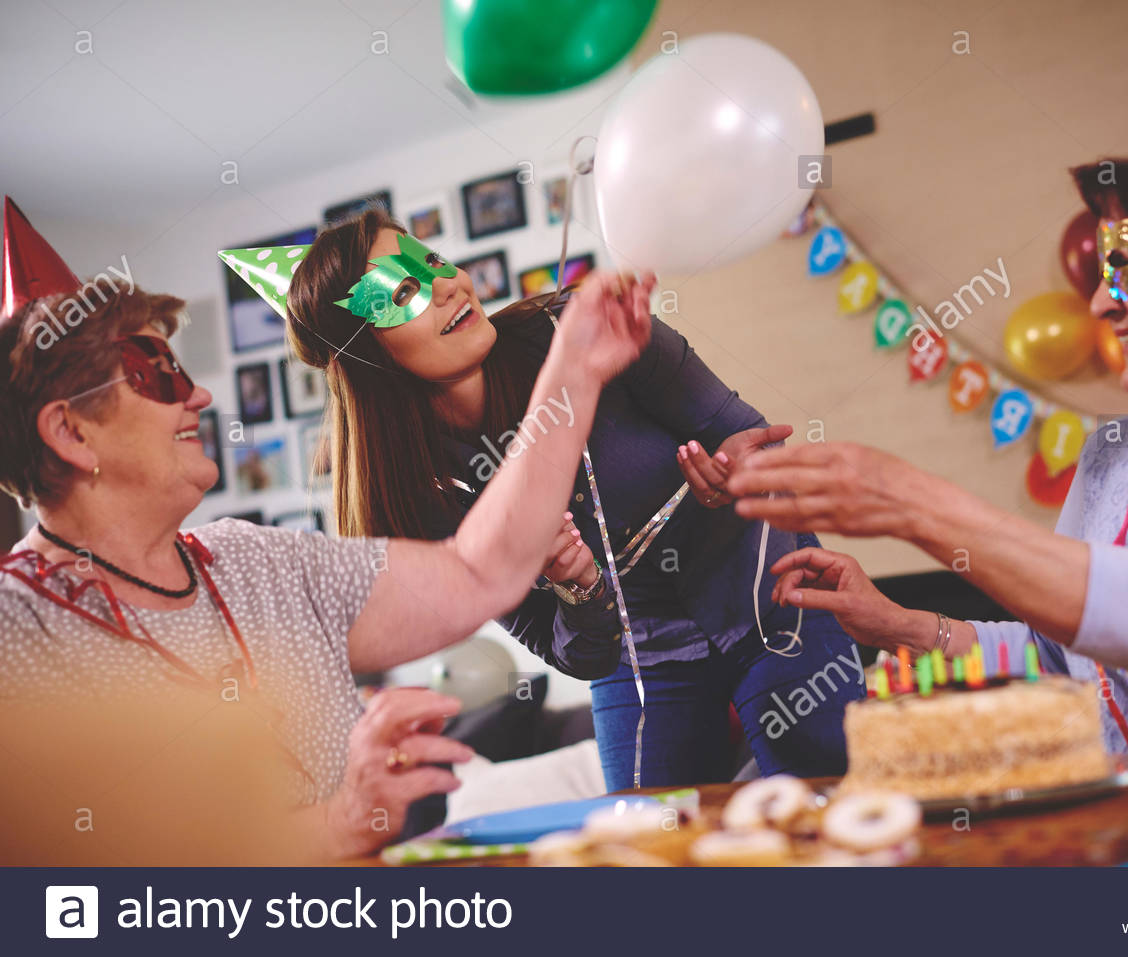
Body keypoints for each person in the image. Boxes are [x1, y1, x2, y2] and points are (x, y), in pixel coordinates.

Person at [0, 205, 652, 857]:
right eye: (156, 372)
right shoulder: (16, 625)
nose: (197, 397)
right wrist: (343, 819)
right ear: (70, 431)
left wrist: (572, 372)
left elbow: (480, 570)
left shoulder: (252, 557)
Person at [728, 133, 1128, 755]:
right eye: (1106, 264)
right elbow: (1061, 654)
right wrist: (904, 625)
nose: (1102, 300)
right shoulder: (1111, 454)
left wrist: (913, 505)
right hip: (1125, 837)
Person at [272, 210, 868, 790]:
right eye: (405, 289)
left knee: (830, 813)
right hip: (642, 669)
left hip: (774, 602)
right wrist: (579, 592)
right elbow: (575, 653)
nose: (449, 284)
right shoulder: (418, 496)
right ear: (365, 355)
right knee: (648, 855)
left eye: (434, 261)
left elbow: (759, 444)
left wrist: (739, 473)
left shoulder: (587, 331)